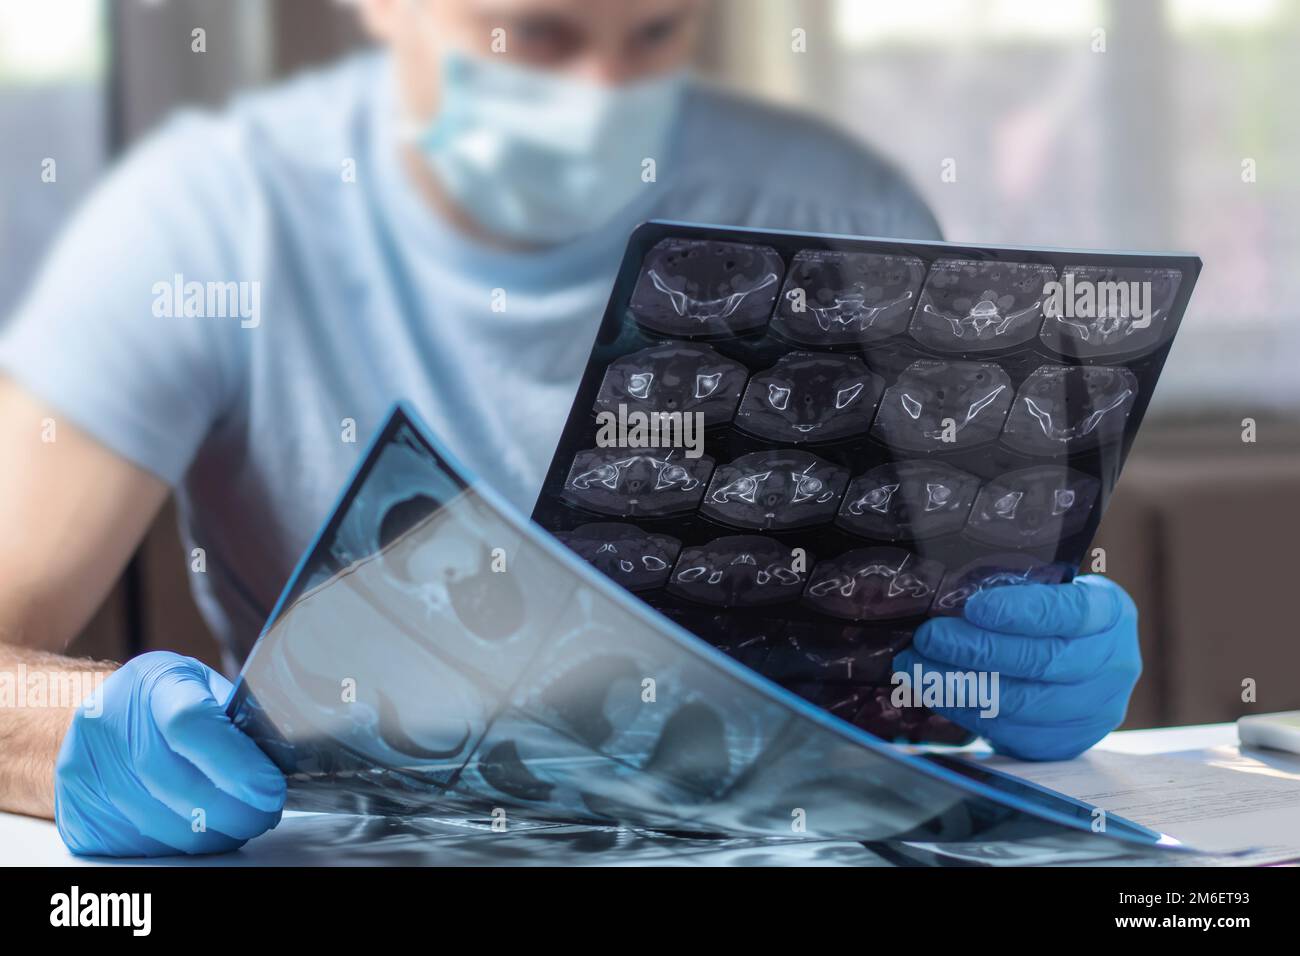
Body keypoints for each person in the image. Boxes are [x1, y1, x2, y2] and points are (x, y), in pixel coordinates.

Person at [0, 0, 1139, 857]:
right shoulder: (204, 223)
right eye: (535, 36)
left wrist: (1014, 672)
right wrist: (72, 733)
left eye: (650, 33)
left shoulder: (838, 211)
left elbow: (932, 645)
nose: (601, 89)